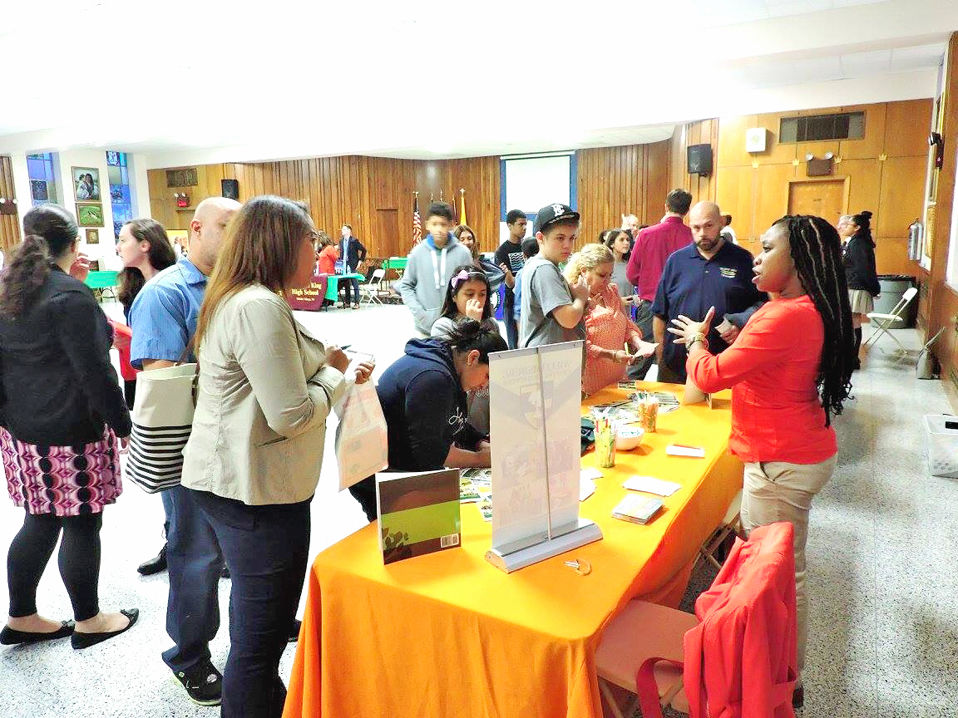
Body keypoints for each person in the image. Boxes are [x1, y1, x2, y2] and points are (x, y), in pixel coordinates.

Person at [181, 195, 373, 717]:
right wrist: (339, 374)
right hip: (254, 492)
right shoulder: (258, 305)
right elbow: (289, 414)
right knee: (258, 650)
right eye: (312, 239)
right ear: (280, 243)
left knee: (254, 621)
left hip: (242, 483)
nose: (320, 250)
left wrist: (323, 365)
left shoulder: (249, 298)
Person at [669, 214, 855, 709]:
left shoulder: (782, 315)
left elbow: (708, 377)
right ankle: (780, 672)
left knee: (776, 579)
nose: (756, 257)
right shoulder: (800, 307)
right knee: (782, 572)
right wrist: (738, 345)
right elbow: (773, 362)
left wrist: (694, 344)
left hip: (780, 460)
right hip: (797, 450)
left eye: (768, 248)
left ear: (797, 261)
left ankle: (778, 678)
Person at [0, 205, 137, 651]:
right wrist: (121, 423)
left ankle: (22, 615)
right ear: (74, 245)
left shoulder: (9, 289)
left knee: (38, 519)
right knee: (81, 522)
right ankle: (89, 620)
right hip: (70, 429)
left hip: (22, 429)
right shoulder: (70, 296)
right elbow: (94, 372)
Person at [129, 196, 240, 706]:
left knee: (245, 547)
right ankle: (189, 656)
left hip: (242, 446)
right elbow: (161, 382)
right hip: (190, 451)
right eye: (225, 225)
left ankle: (265, 622)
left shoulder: (241, 286)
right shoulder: (166, 294)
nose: (236, 235)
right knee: (196, 554)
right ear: (195, 230)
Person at [349, 320, 505, 521]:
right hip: (382, 474)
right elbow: (432, 454)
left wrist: (479, 441)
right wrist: (480, 459)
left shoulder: (449, 363)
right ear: (473, 358)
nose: (485, 386)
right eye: (487, 376)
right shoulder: (433, 379)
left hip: (398, 467)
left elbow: (451, 419)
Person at [652, 201, 766, 384]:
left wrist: (740, 323)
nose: (702, 233)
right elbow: (659, 313)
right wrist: (661, 357)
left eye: (708, 226)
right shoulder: (676, 261)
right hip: (676, 368)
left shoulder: (742, 259)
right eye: (696, 228)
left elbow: (762, 304)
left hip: (725, 366)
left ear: (721, 222)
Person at [563, 244, 656, 395]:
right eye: (601, 275)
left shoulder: (612, 290)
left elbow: (626, 324)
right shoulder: (574, 299)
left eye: (610, 275)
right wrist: (611, 354)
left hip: (617, 377)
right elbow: (579, 344)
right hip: (589, 382)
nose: (606, 281)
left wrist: (638, 343)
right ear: (584, 271)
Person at [626, 189, 694, 378]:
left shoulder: (646, 234)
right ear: (687, 210)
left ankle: (630, 402)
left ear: (666, 206)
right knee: (680, 363)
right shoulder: (692, 237)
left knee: (638, 364)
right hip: (684, 308)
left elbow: (632, 274)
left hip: (651, 305)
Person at [114, 218, 177, 408]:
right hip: (136, 370)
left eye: (123, 240)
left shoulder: (171, 286)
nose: (118, 248)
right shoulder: (133, 286)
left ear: (144, 244)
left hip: (166, 374)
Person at [519, 203, 589, 348]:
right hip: (547, 360)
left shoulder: (539, 264)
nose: (567, 245)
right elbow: (568, 319)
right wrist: (581, 298)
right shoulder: (544, 269)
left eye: (572, 238)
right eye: (560, 238)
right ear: (540, 237)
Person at [398, 201, 473, 336]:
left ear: (451, 225)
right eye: (434, 224)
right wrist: (421, 315)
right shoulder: (417, 253)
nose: (439, 229)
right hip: (424, 330)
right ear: (427, 225)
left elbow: (469, 287)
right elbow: (406, 286)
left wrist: (462, 316)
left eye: (443, 224)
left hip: (456, 328)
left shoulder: (463, 253)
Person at [841, 211, 880, 369]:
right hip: (854, 286)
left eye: (848, 224)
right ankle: (851, 357)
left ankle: (852, 358)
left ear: (857, 227)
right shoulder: (855, 242)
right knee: (853, 322)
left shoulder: (858, 244)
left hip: (856, 287)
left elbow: (863, 269)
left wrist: (872, 288)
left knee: (854, 322)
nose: (843, 227)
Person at [495, 209, 529, 348]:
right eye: (521, 224)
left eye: (526, 224)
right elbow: (510, 284)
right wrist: (511, 277)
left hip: (528, 301)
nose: (524, 228)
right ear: (509, 226)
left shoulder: (529, 246)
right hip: (512, 303)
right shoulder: (502, 251)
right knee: (515, 345)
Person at [602, 229, 636, 311]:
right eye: (622, 240)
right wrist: (618, 301)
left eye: (628, 240)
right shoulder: (604, 265)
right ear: (612, 244)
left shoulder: (629, 265)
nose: (626, 243)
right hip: (608, 314)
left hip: (626, 315)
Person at [511, 236, 540, 323]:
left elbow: (519, 303)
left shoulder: (521, 273)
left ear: (523, 255)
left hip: (528, 318)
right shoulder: (548, 268)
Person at [338, 224, 367, 309]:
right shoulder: (341, 241)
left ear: (348, 231)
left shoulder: (354, 241)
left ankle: (357, 302)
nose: (342, 231)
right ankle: (347, 302)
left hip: (352, 264)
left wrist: (360, 261)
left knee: (355, 283)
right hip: (344, 264)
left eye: (344, 229)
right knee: (346, 283)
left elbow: (364, 250)